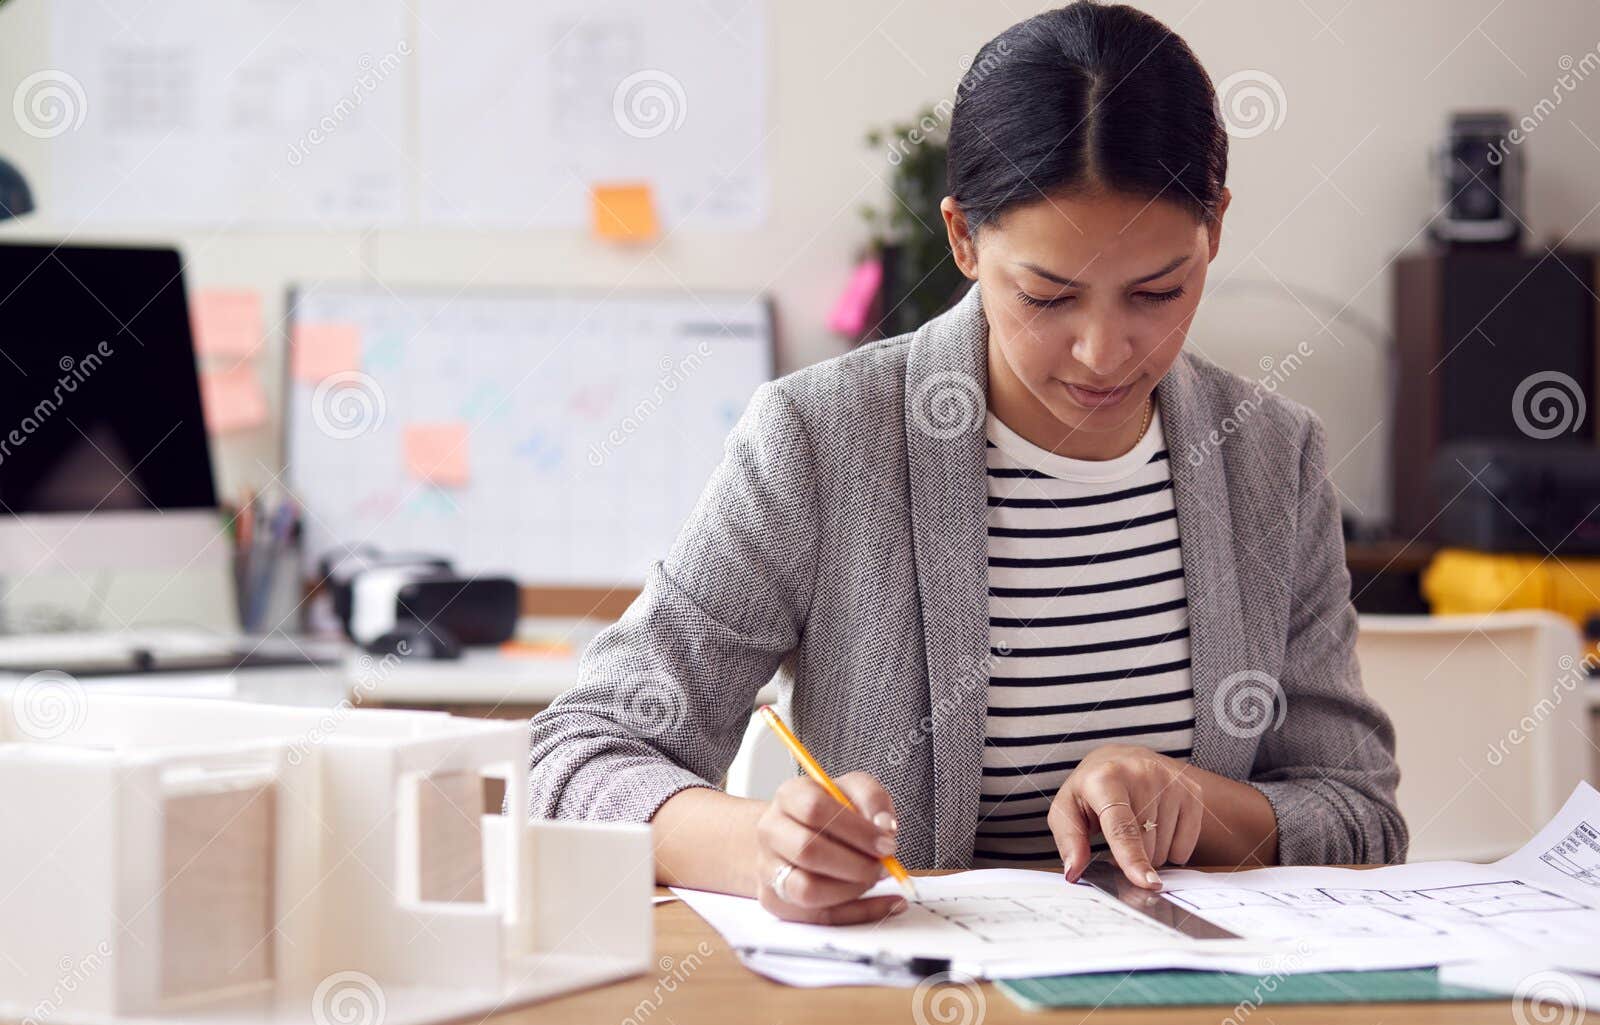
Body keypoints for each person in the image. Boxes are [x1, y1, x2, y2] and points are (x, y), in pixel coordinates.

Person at [526, 1, 1406, 925]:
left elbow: (1360, 815)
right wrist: (766, 847)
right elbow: (577, 753)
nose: (1105, 352)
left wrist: (1197, 802)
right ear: (962, 239)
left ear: (1215, 229)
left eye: (1157, 290)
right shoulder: (824, 439)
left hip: (1188, 1021)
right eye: (1047, 295)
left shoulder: (1272, 458)